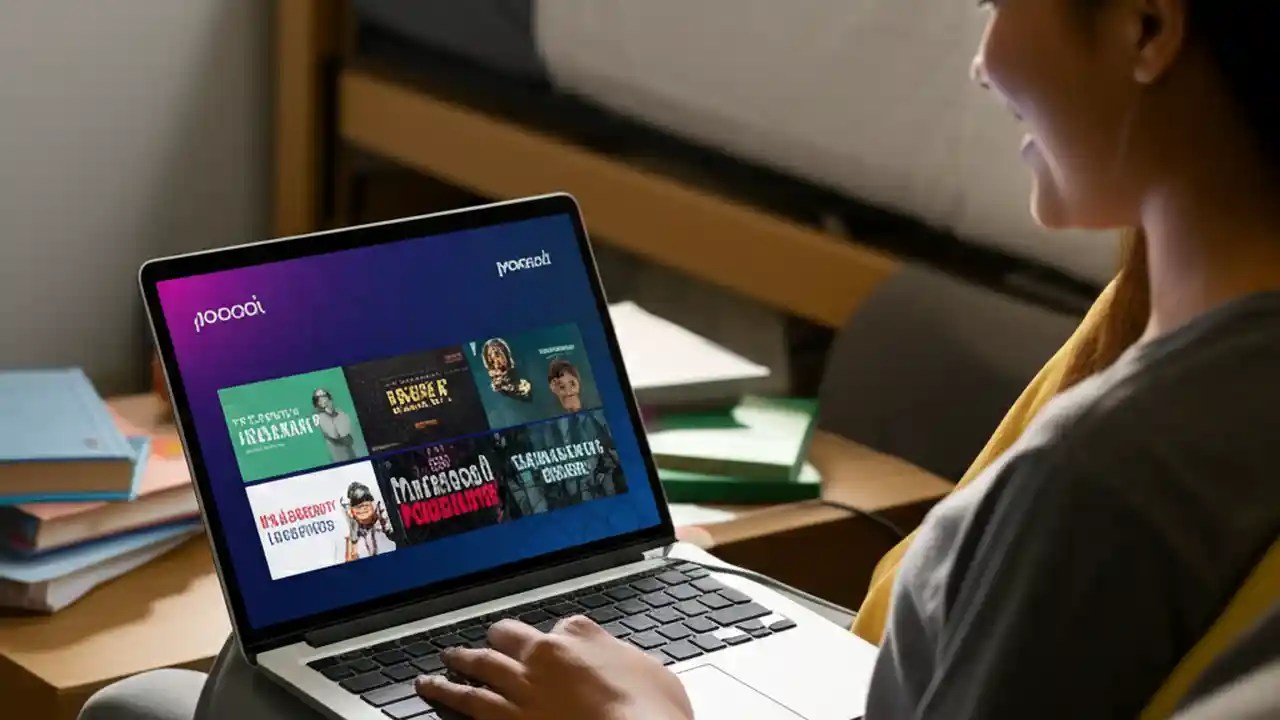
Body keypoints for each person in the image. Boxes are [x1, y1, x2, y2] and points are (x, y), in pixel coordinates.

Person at [76, 0, 1280, 717]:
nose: (976, 59)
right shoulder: (1197, 386)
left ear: (1145, 26)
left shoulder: (1101, 492)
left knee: (163, 697)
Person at [335, 481, 397, 563]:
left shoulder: (383, 522)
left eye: (366, 505)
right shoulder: (350, 535)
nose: (362, 509)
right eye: (358, 507)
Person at [311, 389, 358, 463]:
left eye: (324, 397)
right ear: (317, 403)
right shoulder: (319, 417)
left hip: (350, 453)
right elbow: (334, 435)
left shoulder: (339, 412)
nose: (323, 400)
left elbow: (347, 436)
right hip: (338, 456)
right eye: (319, 399)